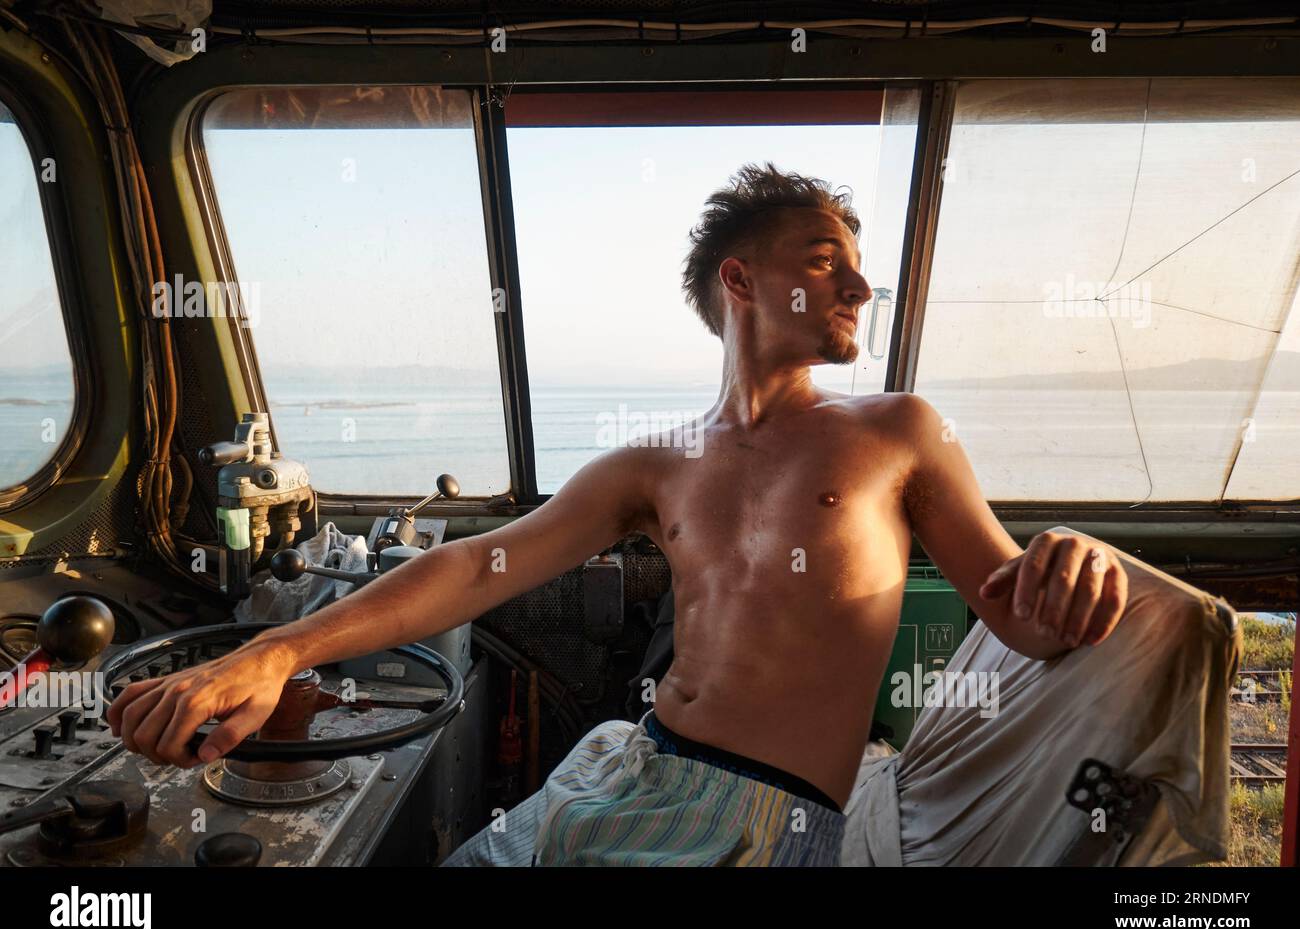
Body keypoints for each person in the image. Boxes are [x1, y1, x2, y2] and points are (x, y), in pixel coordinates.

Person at [108, 163, 1130, 866]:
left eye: (855, 262)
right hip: (623, 761)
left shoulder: (900, 429)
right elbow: (482, 565)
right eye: (823, 258)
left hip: (760, 815)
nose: (860, 281)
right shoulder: (657, 459)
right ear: (742, 280)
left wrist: (1070, 556)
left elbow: (1021, 615)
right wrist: (278, 650)